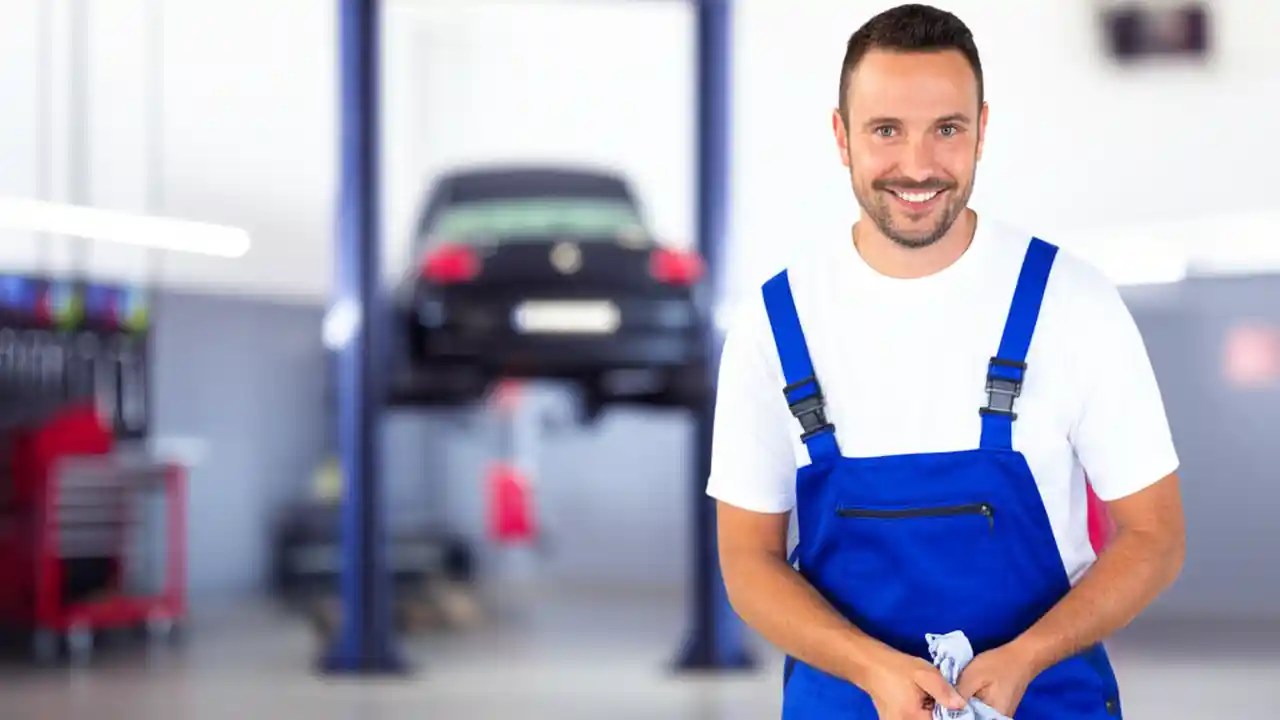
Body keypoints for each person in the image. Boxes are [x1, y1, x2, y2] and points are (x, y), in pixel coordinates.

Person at [706, 4, 1186, 719]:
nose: (919, 165)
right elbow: (748, 561)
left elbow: (1155, 534)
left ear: (982, 131)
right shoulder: (774, 326)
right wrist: (872, 670)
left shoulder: (1072, 303)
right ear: (842, 137)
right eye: (886, 131)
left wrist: (1027, 657)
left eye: (947, 129)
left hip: (1046, 700)